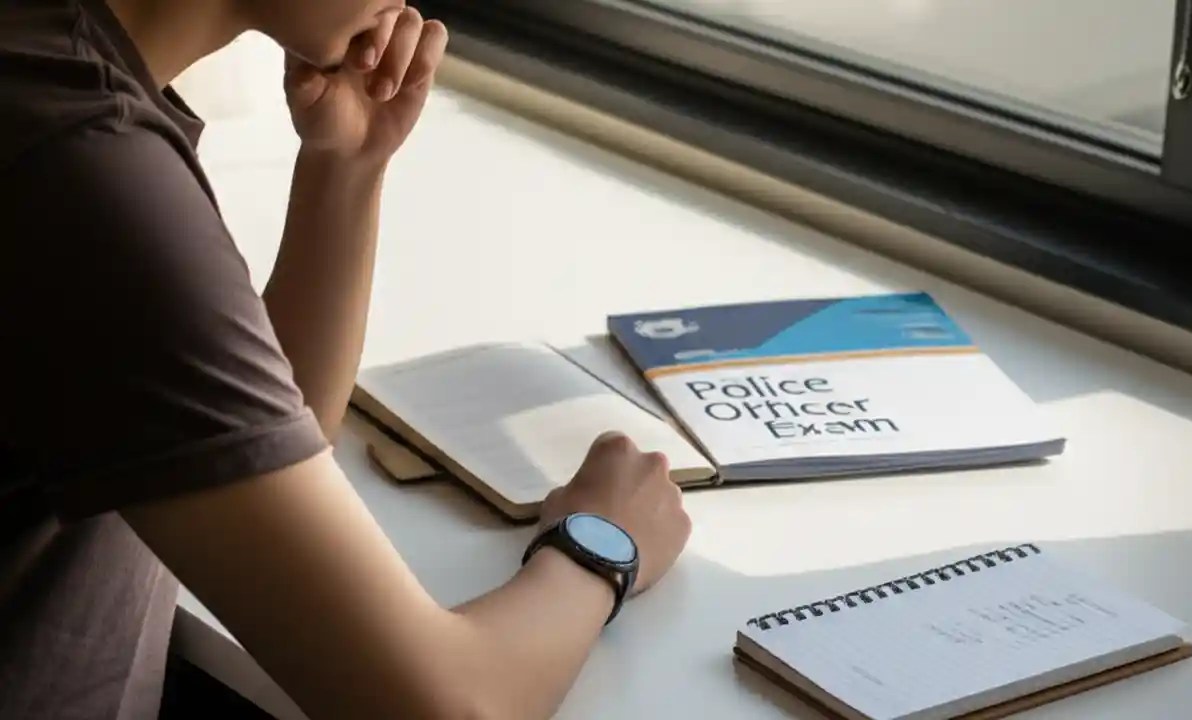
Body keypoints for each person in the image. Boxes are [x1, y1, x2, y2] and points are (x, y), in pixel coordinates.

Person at [0, 1, 693, 718]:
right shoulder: (79, 166)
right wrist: (597, 543)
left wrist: (347, 166)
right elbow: (445, 708)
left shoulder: (43, 67)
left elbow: (235, 462)